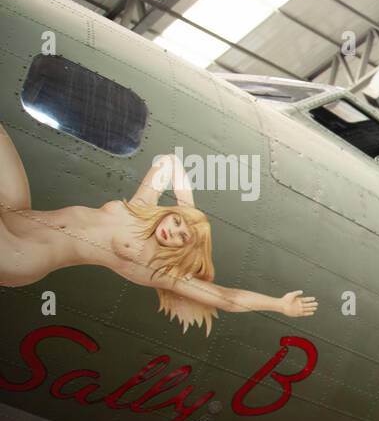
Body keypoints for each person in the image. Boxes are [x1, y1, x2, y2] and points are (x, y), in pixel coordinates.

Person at [0, 125, 316, 335]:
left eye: (183, 238)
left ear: (181, 250)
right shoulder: (142, 208)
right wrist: (188, 210)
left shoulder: (153, 266)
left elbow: (226, 298)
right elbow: (168, 163)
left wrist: (278, 305)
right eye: (176, 222)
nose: (174, 231)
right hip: (19, 217)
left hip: (22, 255)